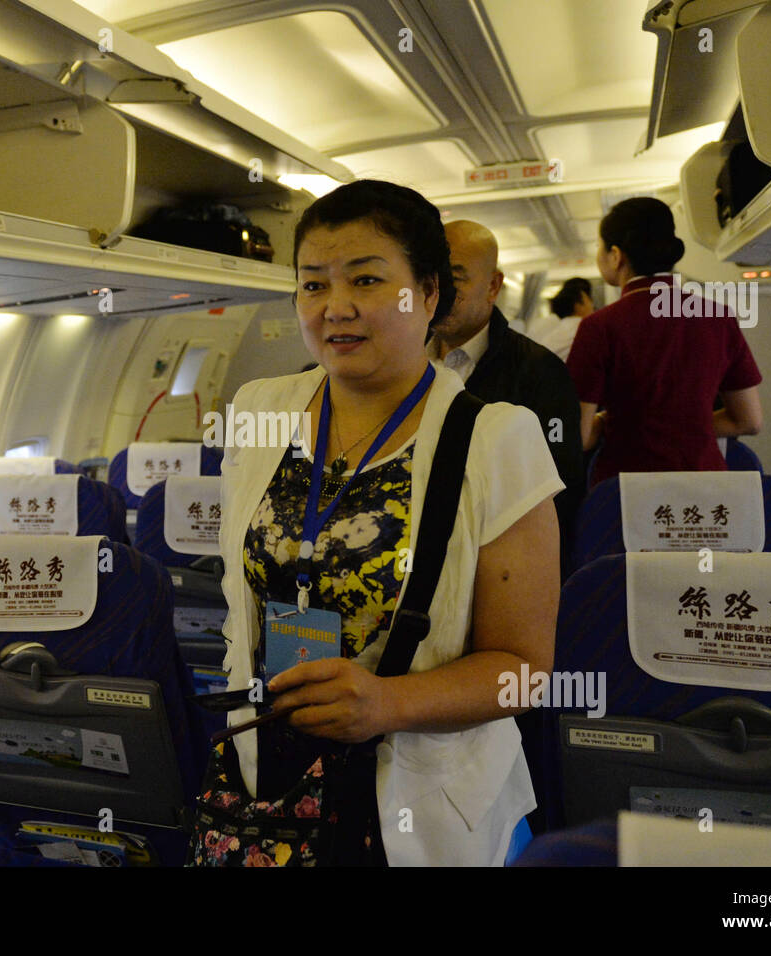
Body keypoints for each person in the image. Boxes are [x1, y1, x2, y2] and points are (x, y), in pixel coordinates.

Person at [208, 181, 563, 866]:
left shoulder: (497, 437)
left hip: (414, 794)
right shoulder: (261, 408)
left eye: (367, 280)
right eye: (313, 286)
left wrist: (385, 705)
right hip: (264, 769)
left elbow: (525, 670)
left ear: (429, 294)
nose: (335, 308)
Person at [567, 197, 763, 487]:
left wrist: (614, 422)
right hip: (707, 491)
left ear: (616, 255)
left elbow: (579, 437)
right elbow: (749, 421)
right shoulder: (718, 316)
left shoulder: (598, 327)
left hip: (626, 493)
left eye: (599, 246)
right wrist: (685, 424)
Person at [427, 220, 584, 572]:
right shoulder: (404, 363)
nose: (441, 291)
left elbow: (560, 486)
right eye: (433, 276)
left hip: (496, 564)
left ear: (493, 285)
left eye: (457, 276)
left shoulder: (541, 373)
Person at [534, 277, 594, 363]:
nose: (592, 306)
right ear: (578, 305)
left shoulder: (556, 330)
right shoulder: (584, 328)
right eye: (589, 300)